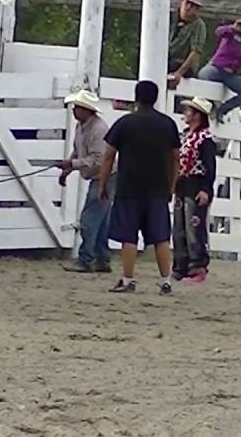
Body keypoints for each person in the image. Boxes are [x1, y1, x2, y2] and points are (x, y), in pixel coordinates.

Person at [100, 80, 181, 295]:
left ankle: (128, 279)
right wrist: (172, 185)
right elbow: (176, 158)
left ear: (136, 97)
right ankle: (166, 281)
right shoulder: (167, 124)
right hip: (158, 188)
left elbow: (108, 157)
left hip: (129, 187)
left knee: (129, 236)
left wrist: (103, 183)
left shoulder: (125, 123)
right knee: (160, 237)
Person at [59, 90, 113, 274]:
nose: (74, 110)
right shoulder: (82, 127)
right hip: (103, 175)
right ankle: (102, 259)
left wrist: (72, 164)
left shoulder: (98, 129)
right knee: (101, 219)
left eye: (78, 108)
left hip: (105, 175)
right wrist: (69, 167)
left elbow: (99, 159)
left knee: (89, 218)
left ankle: (86, 259)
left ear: (87, 110)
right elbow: (78, 150)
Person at [173, 97, 217, 282]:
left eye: (189, 111)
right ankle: (181, 264)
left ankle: (197, 264)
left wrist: (206, 188)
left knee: (194, 226)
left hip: (196, 184)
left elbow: (210, 166)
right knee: (179, 226)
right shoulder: (186, 135)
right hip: (183, 184)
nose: (185, 114)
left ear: (197, 115)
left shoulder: (205, 139)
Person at [199, 10, 241, 122]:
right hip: (217, 67)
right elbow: (218, 32)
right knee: (203, 75)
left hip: (231, 74)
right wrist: (233, 28)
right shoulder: (233, 31)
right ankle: (208, 106)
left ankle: (222, 110)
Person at [167, 0, 207, 87]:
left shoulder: (198, 25)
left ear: (197, 10)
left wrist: (179, 73)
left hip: (182, 65)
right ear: (181, 2)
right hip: (166, 60)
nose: (188, 7)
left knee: (171, 65)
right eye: (187, 3)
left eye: (193, 5)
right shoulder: (170, 17)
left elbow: (195, 53)